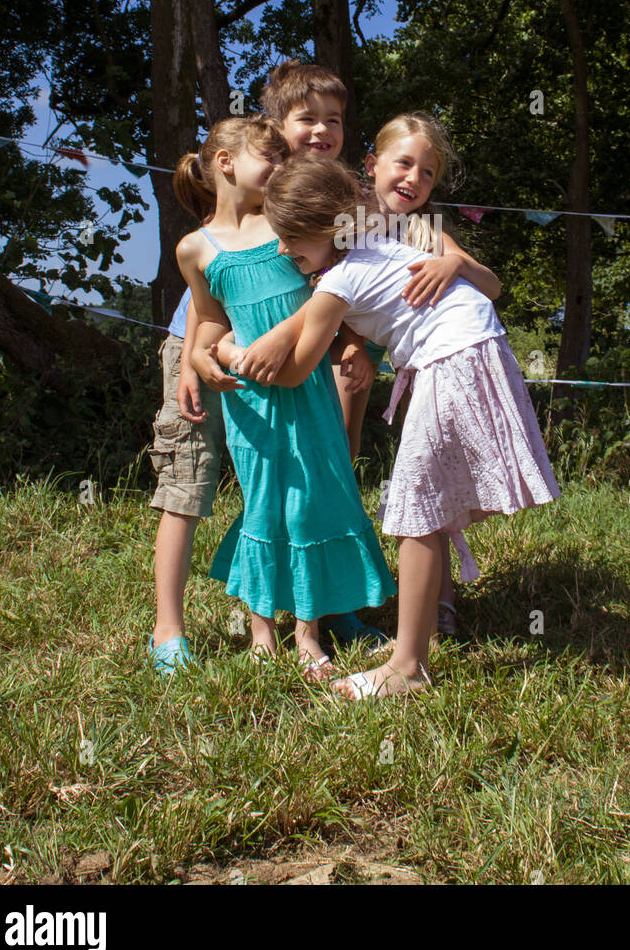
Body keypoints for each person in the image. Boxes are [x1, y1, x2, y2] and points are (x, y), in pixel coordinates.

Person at [227, 154, 561, 700]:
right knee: (422, 505)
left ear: (323, 230)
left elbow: (292, 373)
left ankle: (408, 668)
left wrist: (232, 354)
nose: (283, 250)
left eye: (290, 238)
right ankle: (419, 636)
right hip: (475, 345)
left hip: (452, 355)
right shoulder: (370, 246)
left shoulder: (338, 280)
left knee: (417, 509)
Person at [176, 116, 395, 680]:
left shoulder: (284, 227)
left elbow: (331, 291)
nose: (279, 167)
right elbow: (205, 321)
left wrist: (352, 346)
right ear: (225, 162)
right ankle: (261, 632)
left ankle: (310, 631)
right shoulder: (194, 249)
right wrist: (202, 360)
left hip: (307, 386)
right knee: (264, 501)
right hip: (249, 397)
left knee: (314, 496)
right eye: (267, 156)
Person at [258, 59, 391, 649]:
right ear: (276, 124)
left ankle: (337, 604)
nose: (321, 131)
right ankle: (283, 608)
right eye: (306, 118)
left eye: (332, 120)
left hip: (335, 357)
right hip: (282, 363)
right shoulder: (264, 195)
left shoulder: (350, 198)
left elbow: (352, 285)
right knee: (288, 485)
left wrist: (357, 345)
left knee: (339, 471)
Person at [356, 111, 502, 639]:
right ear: (372, 164)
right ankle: (374, 596)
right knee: (419, 488)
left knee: (429, 491)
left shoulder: (426, 230)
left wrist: (455, 264)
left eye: (428, 173)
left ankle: (440, 605)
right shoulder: (346, 219)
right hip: (378, 359)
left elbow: (493, 286)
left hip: (439, 367)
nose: (413, 180)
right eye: (404, 164)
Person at [147, 268, 226, 675]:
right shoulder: (237, 209)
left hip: (272, 345)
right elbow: (205, 275)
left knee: (285, 481)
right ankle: (167, 630)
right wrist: (193, 363)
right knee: (186, 481)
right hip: (198, 346)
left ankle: (322, 607)